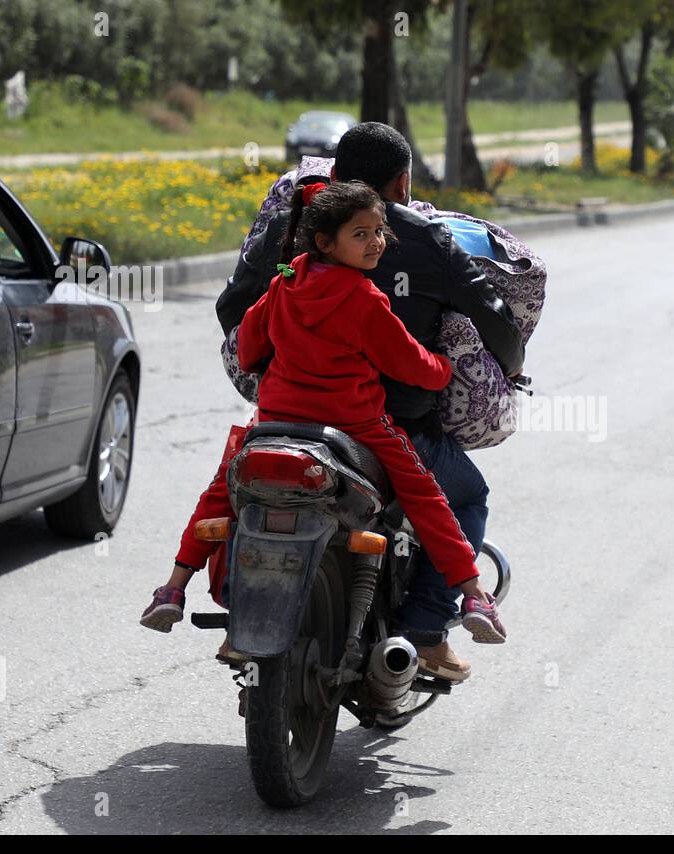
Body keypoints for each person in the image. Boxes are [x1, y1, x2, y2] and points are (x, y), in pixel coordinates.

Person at [140, 181, 507, 668]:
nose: (376, 241)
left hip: (274, 424)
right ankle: (474, 593)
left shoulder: (283, 283)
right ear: (325, 243)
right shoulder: (365, 298)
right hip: (355, 427)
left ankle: (173, 587)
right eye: (361, 234)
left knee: (223, 492)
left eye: (379, 231)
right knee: (426, 495)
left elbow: (248, 351)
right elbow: (409, 364)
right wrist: (444, 368)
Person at [216, 123, 524, 683]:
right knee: (467, 495)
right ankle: (428, 631)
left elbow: (233, 311)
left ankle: (212, 590)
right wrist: (502, 369)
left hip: (285, 417)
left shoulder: (292, 244)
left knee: (228, 488)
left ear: (331, 177)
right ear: (403, 183)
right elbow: (495, 321)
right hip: (385, 425)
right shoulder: (422, 240)